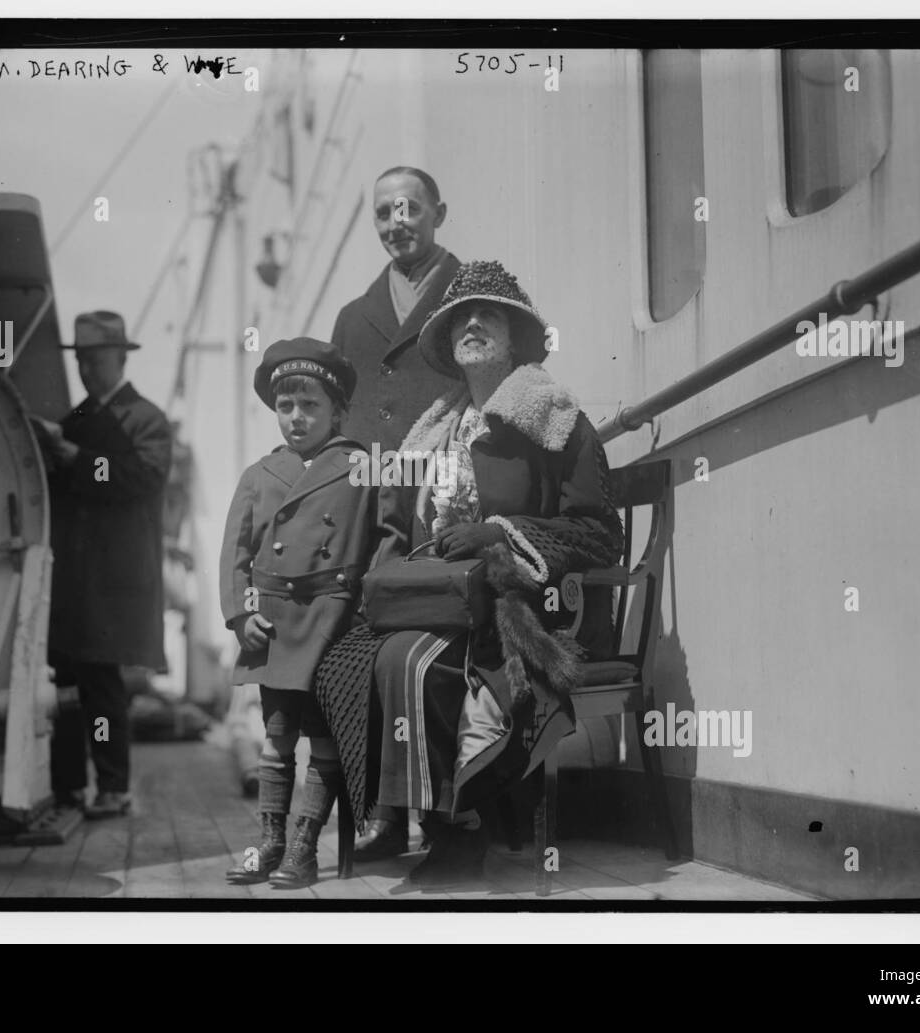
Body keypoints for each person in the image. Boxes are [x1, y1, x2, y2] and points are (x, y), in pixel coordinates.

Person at [316, 261, 625, 886]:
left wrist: (499, 533)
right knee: (344, 659)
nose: (473, 324)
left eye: (490, 315)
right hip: (445, 598)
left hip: (526, 601)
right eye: (460, 317)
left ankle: (461, 829)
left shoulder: (554, 418)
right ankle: (390, 816)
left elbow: (600, 534)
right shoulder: (436, 428)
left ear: (516, 337)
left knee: (414, 664)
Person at [219, 338, 390, 888]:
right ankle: (269, 841)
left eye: (310, 405)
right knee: (275, 736)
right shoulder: (258, 474)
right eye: (286, 406)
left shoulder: (363, 466)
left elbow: (389, 540)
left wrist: (363, 612)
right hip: (272, 623)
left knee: (323, 739)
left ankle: (304, 846)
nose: (296, 418)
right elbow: (236, 556)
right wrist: (243, 615)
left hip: (332, 621)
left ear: (336, 409)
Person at [329, 165, 462, 861]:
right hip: (373, 506)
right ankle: (379, 810)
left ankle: (446, 821)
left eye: (410, 207)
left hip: (442, 500)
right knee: (364, 642)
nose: (397, 221)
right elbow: (334, 418)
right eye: (383, 212)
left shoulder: (469, 293)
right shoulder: (354, 317)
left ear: (439, 211)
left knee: (431, 651)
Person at [33, 311, 172, 820]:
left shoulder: (146, 420)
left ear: (120, 357)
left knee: (101, 683)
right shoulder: (78, 421)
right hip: (73, 575)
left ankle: (113, 788)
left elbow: (141, 476)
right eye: (83, 360)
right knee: (69, 679)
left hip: (114, 579)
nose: (88, 369)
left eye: (96, 359)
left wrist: (71, 454)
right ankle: (69, 787)